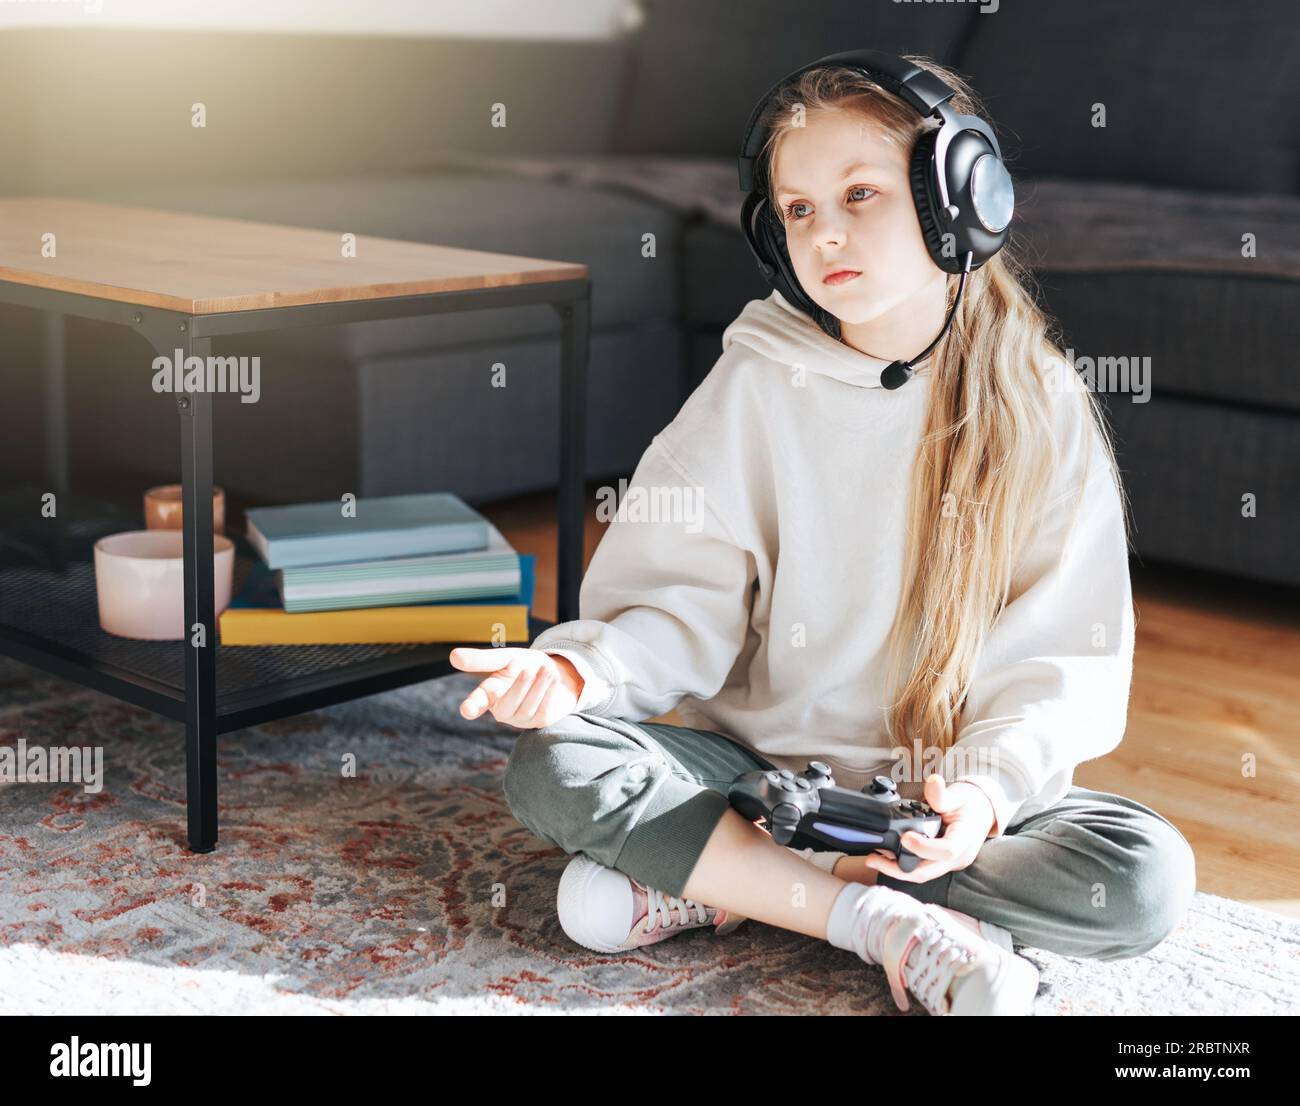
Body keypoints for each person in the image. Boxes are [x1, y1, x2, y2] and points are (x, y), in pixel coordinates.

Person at [449, 54, 1196, 1017]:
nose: (825, 232)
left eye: (858, 194)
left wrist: (982, 798)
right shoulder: (756, 384)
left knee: (1143, 877)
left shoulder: (1040, 405)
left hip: (938, 803)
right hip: (763, 778)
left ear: (959, 199)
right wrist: (581, 671)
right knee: (556, 762)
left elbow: (1063, 658)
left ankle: (733, 883)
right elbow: (682, 600)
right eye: (798, 211)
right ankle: (878, 922)